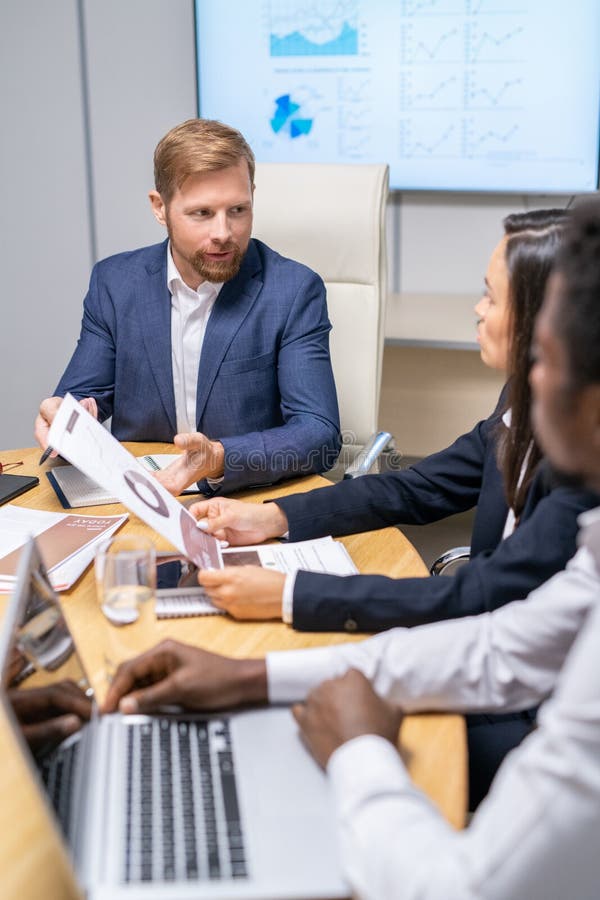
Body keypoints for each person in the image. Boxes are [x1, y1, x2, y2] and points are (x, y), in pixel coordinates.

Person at [103, 198, 600, 899]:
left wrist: (357, 746)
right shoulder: (534, 430)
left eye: (544, 355)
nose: (530, 377)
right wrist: (273, 532)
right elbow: (503, 635)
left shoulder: (582, 495)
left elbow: (466, 886)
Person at [185, 210, 597, 632]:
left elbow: (482, 595)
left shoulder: (580, 465)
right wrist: (272, 517)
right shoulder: (518, 400)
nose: (478, 309)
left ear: (546, 322)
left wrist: (287, 594)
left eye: (492, 297)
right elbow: (418, 487)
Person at [34, 118, 340, 494]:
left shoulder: (292, 291)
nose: (224, 233)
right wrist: (66, 422)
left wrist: (222, 457)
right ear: (160, 207)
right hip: (137, 500)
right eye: (202, 213)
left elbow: (319, 434)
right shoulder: (115, 283)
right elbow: (81, 401)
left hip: (244, 498)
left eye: (238, 210)